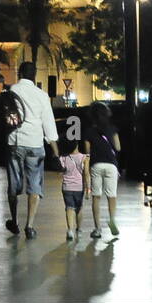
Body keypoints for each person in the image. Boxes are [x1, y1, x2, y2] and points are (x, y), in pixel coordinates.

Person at [4, 61, 59, 239]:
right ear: (34, 75)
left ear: (19, 73)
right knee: (34, 184)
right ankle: (30, 225)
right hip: (35, 143)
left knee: (14, 184)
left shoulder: (11, 91)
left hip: (15, 141)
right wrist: (55, 150)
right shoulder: (41, 95)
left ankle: (14, 221)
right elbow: (49, 125)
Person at [85, 101, 121, 238]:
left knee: (96, 197)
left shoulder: (89, 131)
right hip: (111, 165)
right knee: (111, 196)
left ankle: (97, 228)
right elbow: (118, 148)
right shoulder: (113, 129)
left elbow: (87, 153)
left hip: (96, 165)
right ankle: (112, 221)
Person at [57, 136, 90, 241]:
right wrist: (88, 189)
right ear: (77, 145)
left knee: (69, 207)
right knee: (79, 208)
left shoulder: (63, 158)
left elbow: (62, 169)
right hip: (79, 187)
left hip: (66, 186)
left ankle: (70, 230)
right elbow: (86, 174)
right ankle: (79, 229)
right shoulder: (84, 157)